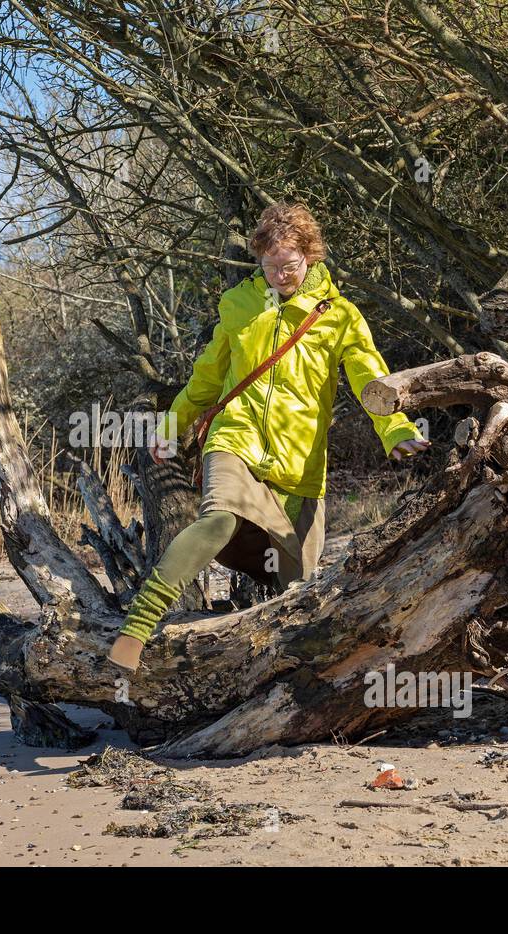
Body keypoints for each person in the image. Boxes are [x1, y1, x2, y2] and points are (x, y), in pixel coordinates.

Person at [107, 201, 430, 672]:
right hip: (234, 438)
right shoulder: (239, 306)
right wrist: (171, 428)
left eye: (291, 265)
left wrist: (395, 427)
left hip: (300, 467)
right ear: (259, 261)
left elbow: (369, 376)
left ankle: (277, 679)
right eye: (271, 266)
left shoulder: (338, 315)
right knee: (218, 519)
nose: (281, 275)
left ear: (311, 257)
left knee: (298, 590)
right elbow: (208, 378)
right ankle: (135, 631)